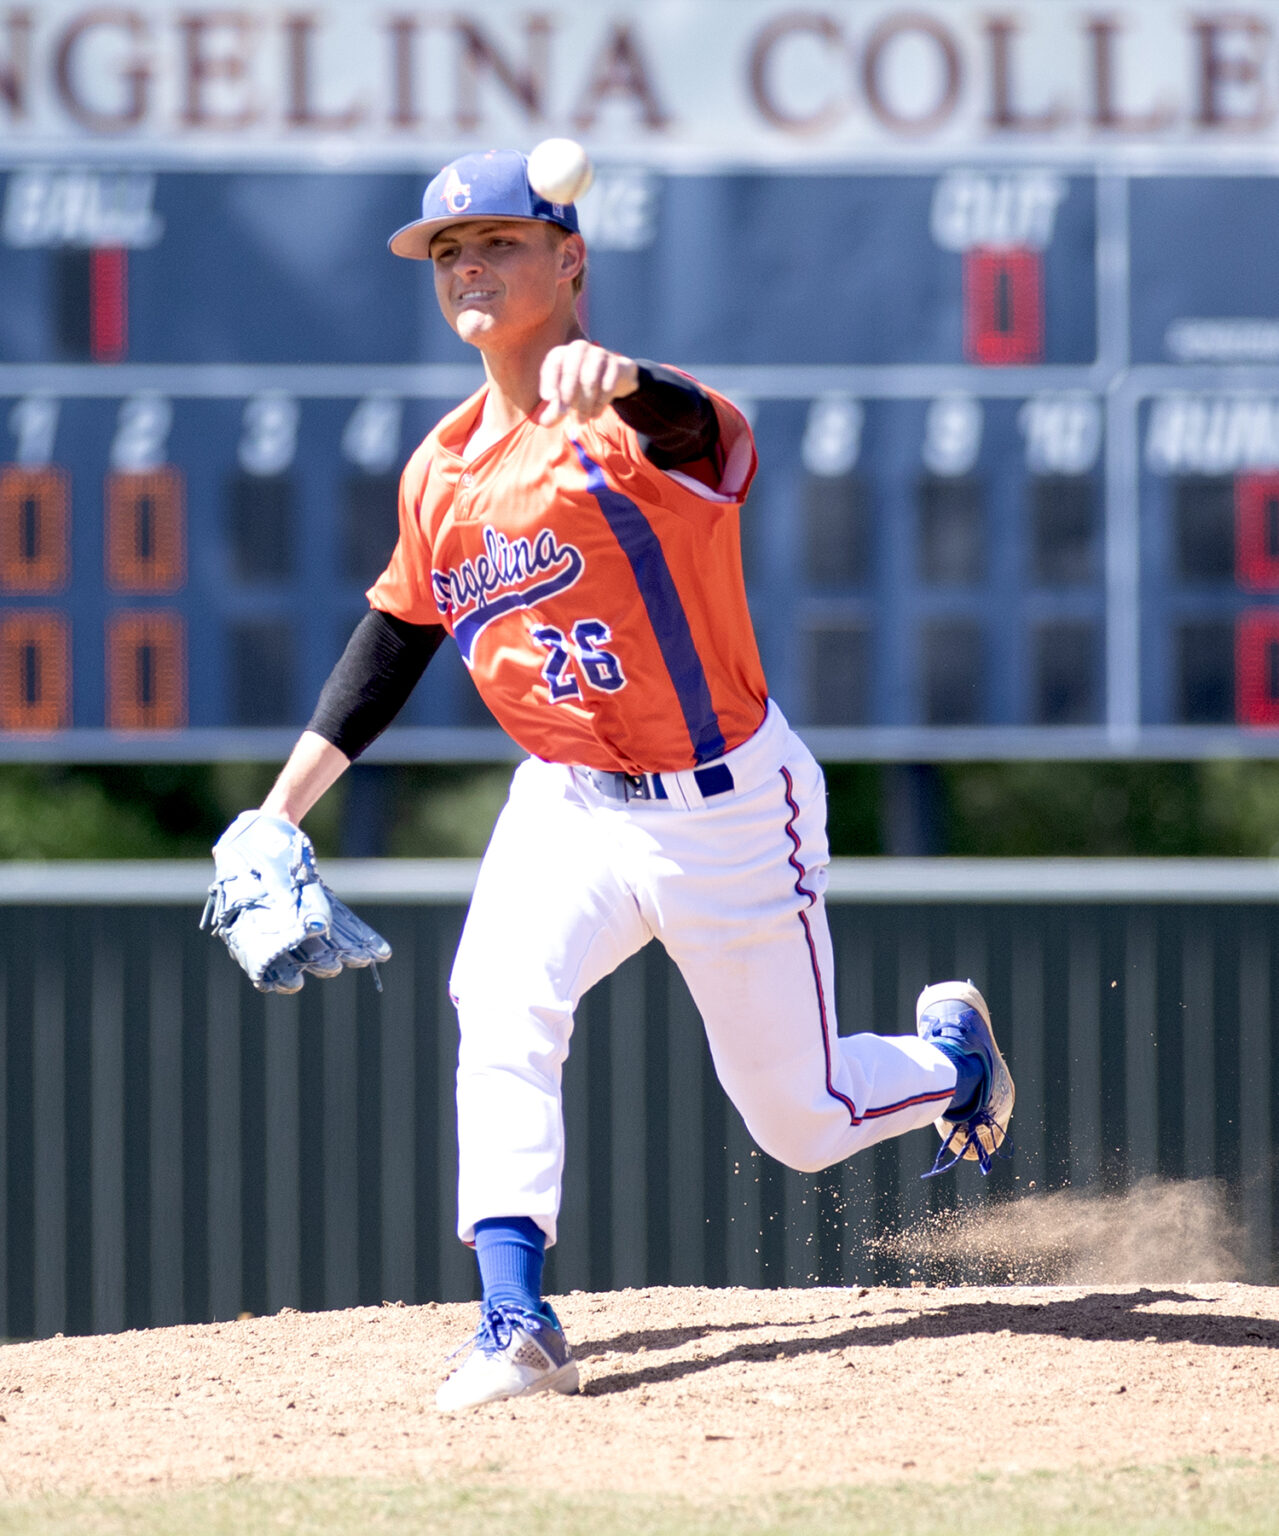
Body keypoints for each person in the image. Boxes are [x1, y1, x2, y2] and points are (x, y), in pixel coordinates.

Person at [224, 148, 1014, 1412]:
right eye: (447, 250)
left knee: (799, 1125)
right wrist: (276, 812)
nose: (468, 265)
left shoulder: (635, 426)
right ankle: (516, 1321)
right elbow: (396, 636)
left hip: (727, 807)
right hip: (570, 797)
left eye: (498, 242)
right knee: (496, 997)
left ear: (570, 262)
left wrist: (633, 384)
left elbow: (713, 436)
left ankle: (949, 1060)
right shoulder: (440, 471)